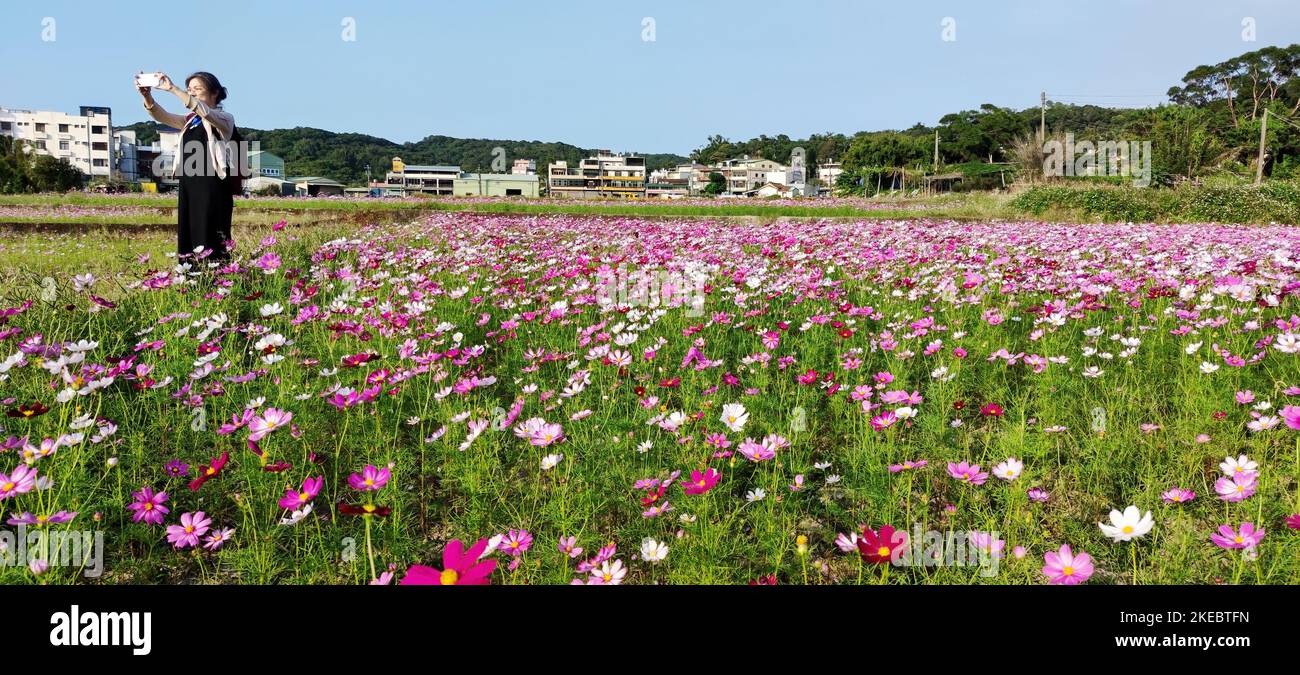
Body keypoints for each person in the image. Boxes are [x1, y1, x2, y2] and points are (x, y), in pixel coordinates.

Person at [137, 71, 237, 261]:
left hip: (211, 183)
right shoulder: (190, 120)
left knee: (210, 227)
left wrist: (173, 89)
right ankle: (190, 273)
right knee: (189, 227)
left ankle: (217, 275)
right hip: (189, 181)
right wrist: (147, 96)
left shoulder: (224, 119)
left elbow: (204, 111)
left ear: (215, 92)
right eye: (189, 90)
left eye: (197, 89)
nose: (191, 93)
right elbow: (162, 116)